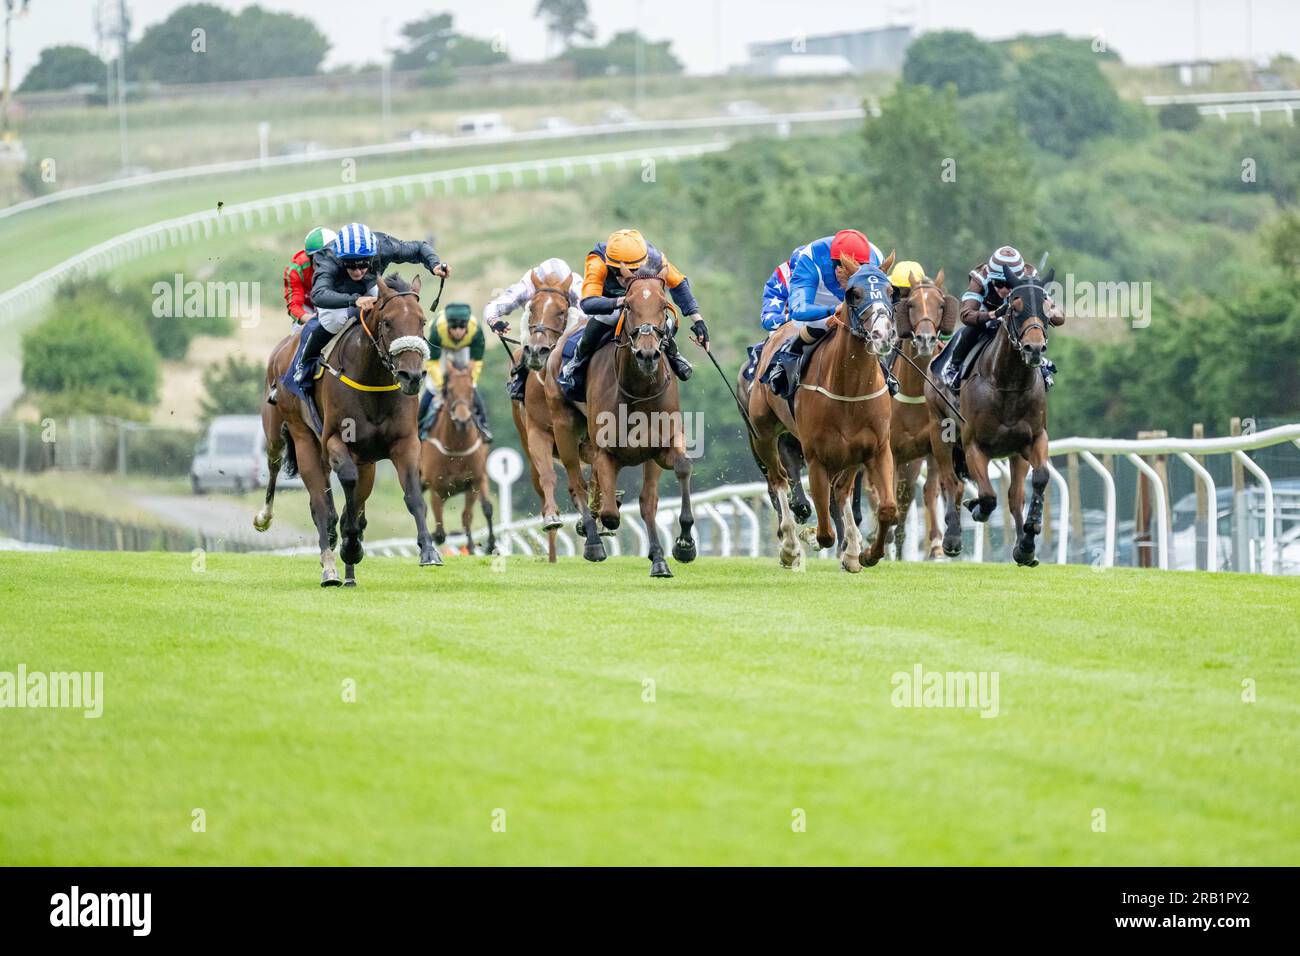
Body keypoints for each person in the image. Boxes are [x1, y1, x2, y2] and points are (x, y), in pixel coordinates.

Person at [282, 222, 449, 402]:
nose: (358, 271)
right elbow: (319, 295)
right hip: (335, 293)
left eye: (363, 265)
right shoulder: (328, 257)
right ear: (340, 258)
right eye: (351, 266)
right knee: (335, 320)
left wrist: (435, 265)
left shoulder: (383, 246)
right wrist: (354, 300)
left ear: (373, 255)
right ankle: (304, 363)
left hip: (369, 284)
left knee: (391, 308)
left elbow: (419, 248)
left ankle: (397, 360)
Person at [557, 228, 706, 394]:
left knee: (666, 321)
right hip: (610, 304)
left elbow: (678, 284)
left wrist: (697, 320)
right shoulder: (597, 260)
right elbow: (588, 303)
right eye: (617, 271)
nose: (625, 276)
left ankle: (674, 354)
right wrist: (623, 301)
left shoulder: (655, 259)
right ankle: (577, 361)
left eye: (633, 271)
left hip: (643, 303)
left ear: (643, 263)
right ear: (609, 264)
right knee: (604, 320)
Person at [762, 229, 894, 398]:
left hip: (852, 303)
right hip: (813, 305)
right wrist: (833, 311)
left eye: (860, 268)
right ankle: (783, 365)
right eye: (847, 269)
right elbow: (799, 311)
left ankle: (885, 374)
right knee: (815, 325)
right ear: (835, 265)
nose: (854, 274)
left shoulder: (875, 257)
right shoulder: (810, 259)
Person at [940, 245, 1061, 392]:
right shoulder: (980, 279)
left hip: (1016, 315)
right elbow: (966, 315)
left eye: (1008, 284)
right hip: (987, 312)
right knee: (973, 328)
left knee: (1034, 325)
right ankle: (954, 365)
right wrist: (993, 314)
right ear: (990, 278)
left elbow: (1059, 319)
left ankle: (1040, 362)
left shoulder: (1029, 277)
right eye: (998, 284)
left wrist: (1048, 307)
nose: (1003, 290)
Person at [484, 257, 585, 402]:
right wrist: (494, 320)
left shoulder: (575, 285)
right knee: (528, 314)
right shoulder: (528, 284)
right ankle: (522, 377)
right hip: (535, 321)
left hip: (565, 321)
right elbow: (495, 305)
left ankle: (576, 374)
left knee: (577, 320)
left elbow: (589, 312)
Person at [419, 302, 493, 443]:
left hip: (464, 348)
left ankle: (484, 426)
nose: (458, 331)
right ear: (447, 325)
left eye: (461, 327)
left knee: (470, 387)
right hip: (441, 349)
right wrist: (441, 384)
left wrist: (470, 381)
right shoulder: (437, 328)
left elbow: (477, 361)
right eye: (454, 327)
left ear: (467, 326)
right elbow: (431, 362)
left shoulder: (476, 329)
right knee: (432, 387)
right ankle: (419, 427)